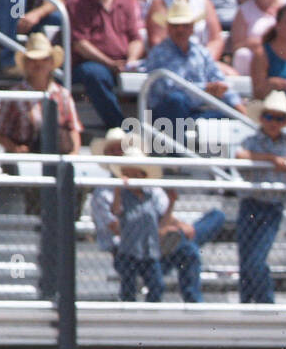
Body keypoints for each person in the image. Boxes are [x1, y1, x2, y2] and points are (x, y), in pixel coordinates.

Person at [88, 127, 224, 302]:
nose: (117, 153)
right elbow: (117, 227)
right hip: (128, 249)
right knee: (182, 249)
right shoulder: (103, 193)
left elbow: (162, 214)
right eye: (112, 150)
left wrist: (177, 226)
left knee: (193, 242)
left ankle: (194, 303)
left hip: (154, 244)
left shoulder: (149, 188)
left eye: (120, 148)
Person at [235, 91, 286, 303]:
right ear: (262, 118)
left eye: (279, 118)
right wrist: (274, 159)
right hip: (250, 204)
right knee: (247, 260)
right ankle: (249, 304)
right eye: (270, 117)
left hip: (272, 207)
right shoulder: (251, 140)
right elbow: (239, 154)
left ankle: (265, 303)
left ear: (285, 122)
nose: (274, 122)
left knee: (255, 259)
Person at [69, 0, 145, 129]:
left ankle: (156, 133)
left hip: (122, 64)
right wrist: (109, 63)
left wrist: (131, 61)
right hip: (88, 63)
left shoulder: (125, 1)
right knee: (95, 74)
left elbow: (136, 38)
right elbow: (79, 44)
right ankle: (122, 129)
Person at [143, 0, 241, 124]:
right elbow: (167, 89)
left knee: (229, 114)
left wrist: (238, 106)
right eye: (175, 26)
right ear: (168, 28)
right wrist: (204, 90)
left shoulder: (201, 52)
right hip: (165, 115)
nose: (180, 30)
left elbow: (218, 79)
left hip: (195, 112)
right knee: (176, 100)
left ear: (192, 28)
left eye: (185, 25)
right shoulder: (159, 53)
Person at [0, 32, 81, 156]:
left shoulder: (63, 94)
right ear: (26, 64)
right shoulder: (14, 95)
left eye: (44, 59)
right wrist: (15, 148)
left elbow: (73, 129)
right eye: (33, 59)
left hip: (58, 158)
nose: (38, 64)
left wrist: (74, 153)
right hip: (23, 160)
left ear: (51, 63)